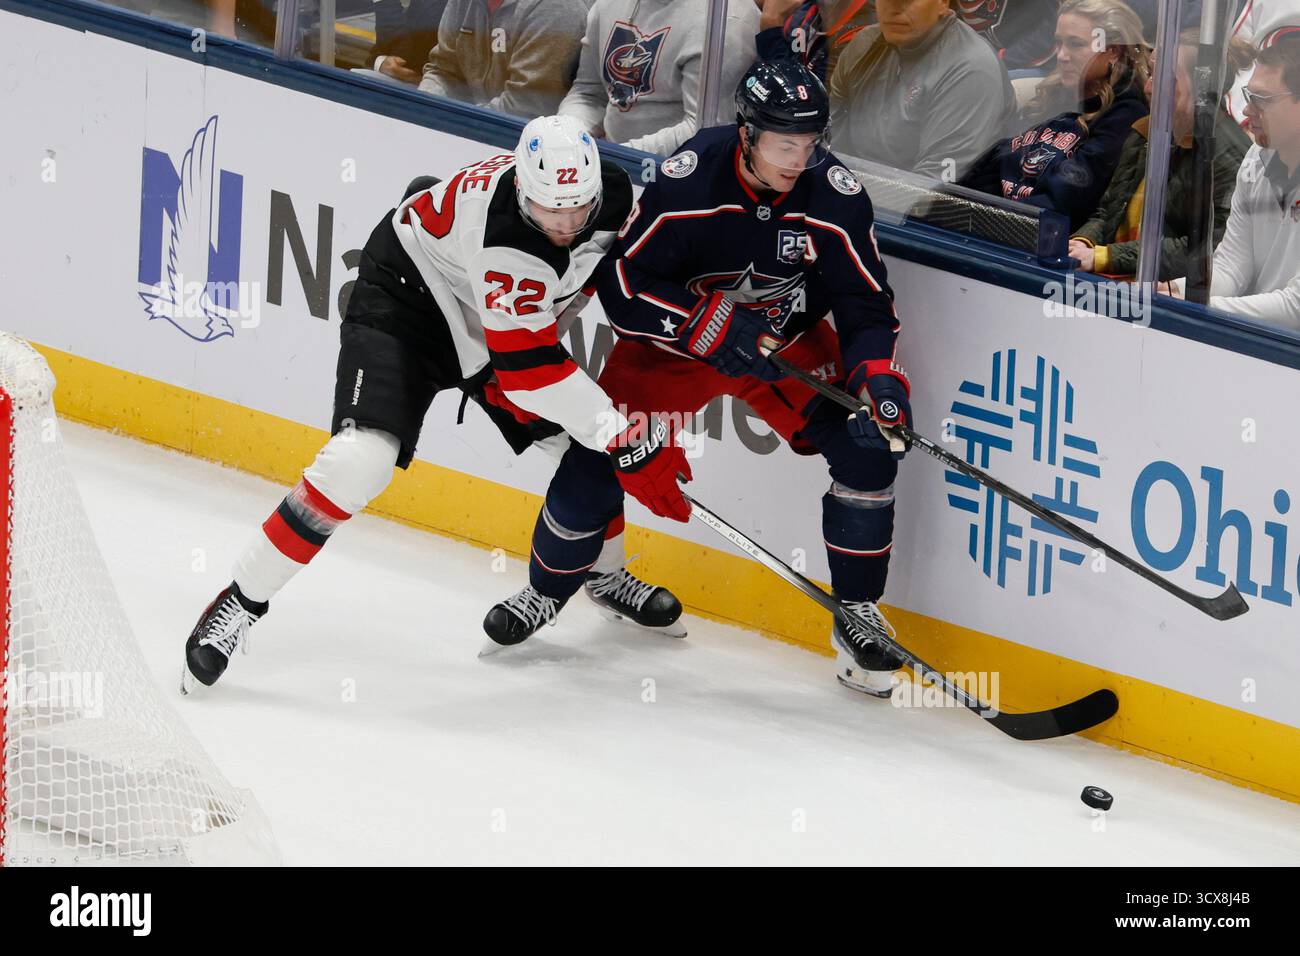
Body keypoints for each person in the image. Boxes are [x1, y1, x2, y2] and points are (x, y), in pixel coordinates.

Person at [182, 116, 690, 691]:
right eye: (552, 211)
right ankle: (240, 601)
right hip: (408, 302)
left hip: (489, 319)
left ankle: (604, 574)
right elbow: (529, 373)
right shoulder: (508, 244)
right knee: (360, 461)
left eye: (579, 209)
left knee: (585, 449)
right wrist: (624, 437)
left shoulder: (612, 198)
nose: (567, 226)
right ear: (522, 191)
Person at [484, 61, 914, 699]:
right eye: (783, 144)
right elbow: (624, 287)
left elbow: (865, 304)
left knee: (867, 447)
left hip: (782, 347)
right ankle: (548, 590)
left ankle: (856, 616)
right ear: (747, 134)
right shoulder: (691, 179)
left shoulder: (835, 195)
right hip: (677, 351)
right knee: (603, 456)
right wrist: (701, 323)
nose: (799, 160)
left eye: (810, 144)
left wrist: (877, 376)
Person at [1070, 31, 1254, 279]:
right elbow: (1107, 212)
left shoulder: (1230, 156)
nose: (1147, 88)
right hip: (1111, 275)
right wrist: (1083, 244)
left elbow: (1205, 249)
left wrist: (1105, 257)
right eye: (1151, 73)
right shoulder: (1143, 131)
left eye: (1165, 78)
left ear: (1203, 89)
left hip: (1162, 292)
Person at [959, 0, 1151, 231]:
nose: (1061, 55)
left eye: (1075, 45)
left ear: (1113, 51)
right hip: (993, 226)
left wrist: (989, 221)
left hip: (1039, 243)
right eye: (1058, 43)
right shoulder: (1049, 98)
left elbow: (1063, 202)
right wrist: (962, 210)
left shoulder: (1125, 116)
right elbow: (992, 168)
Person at [1168, 34, 1300, 326]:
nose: (1246, 110)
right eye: (1249, 96)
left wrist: (1200, 307)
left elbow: (1297, 307)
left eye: (1261, 100)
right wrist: (1172, 291)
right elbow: (1232, 268)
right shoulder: (1256, 158)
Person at [827, 0, 1016, 182]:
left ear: (943, 2)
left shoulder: (971, 69)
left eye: (908, 0)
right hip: (856, 189)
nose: (894, 10)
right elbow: (828, 137)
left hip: (929, 208)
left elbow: (933, 189)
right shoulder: (864, 45)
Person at [558, 0, 759, 157]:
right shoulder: (607, 5)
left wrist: (612, 157)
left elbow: (705, 132)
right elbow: (589, 94)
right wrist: (566, 137)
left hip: (676, 176)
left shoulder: (726, 21)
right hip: (610, 160)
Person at [418, 0, 589, 119]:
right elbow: (443, 70)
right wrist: (421, 109)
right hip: (468, 126)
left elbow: (525, 107)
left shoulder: (557, 8)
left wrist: (449, 121)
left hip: (524, 146)